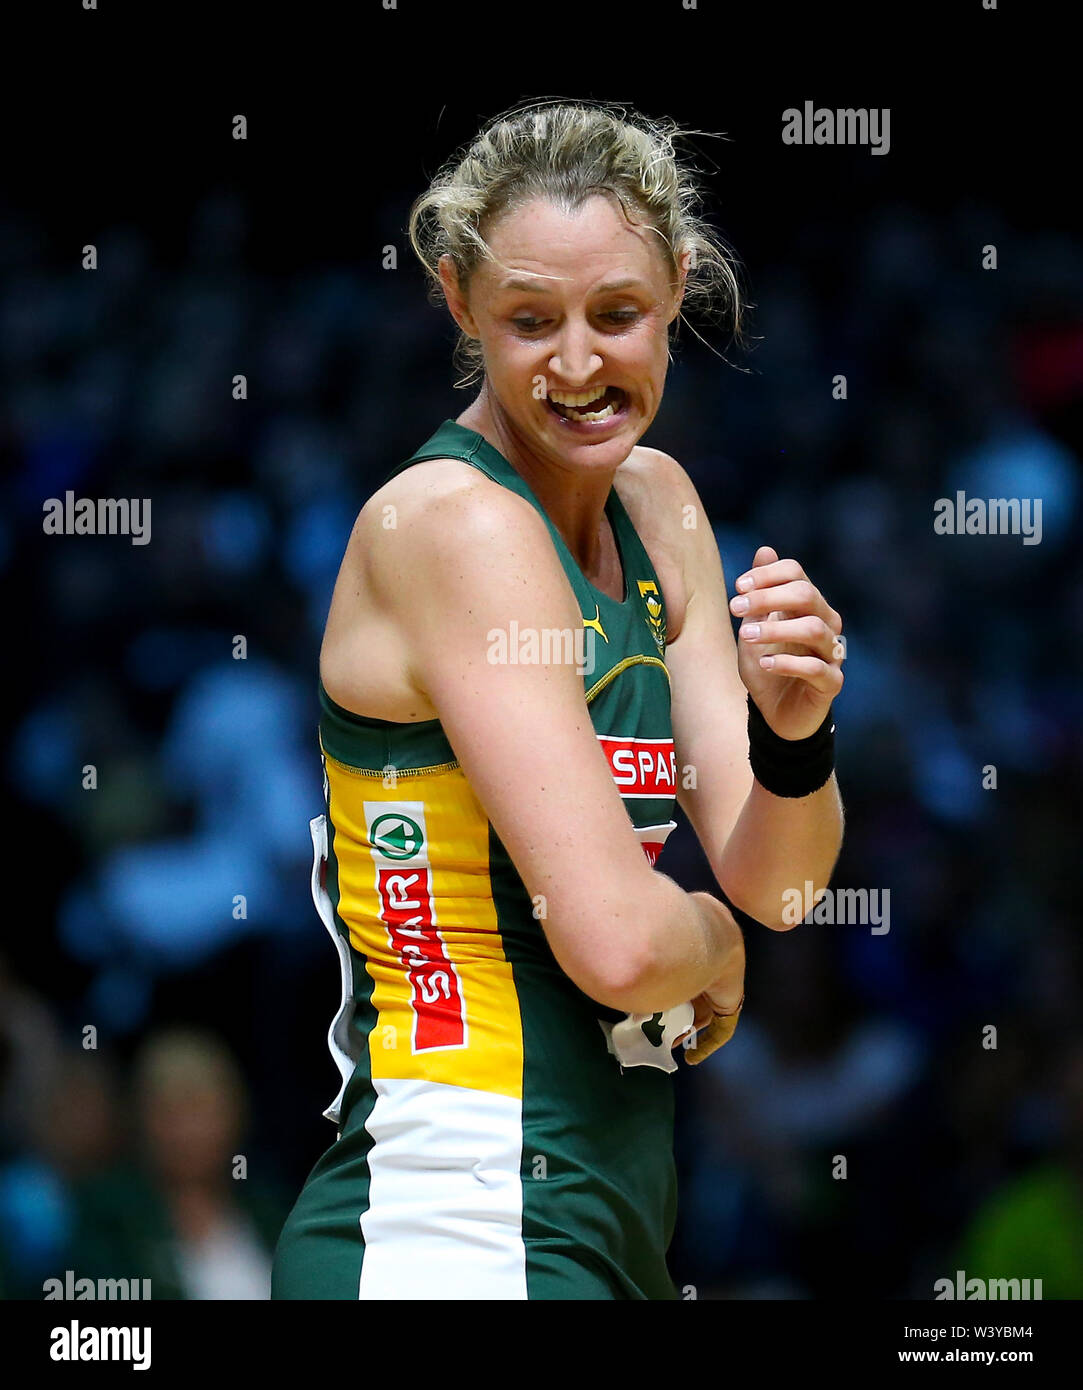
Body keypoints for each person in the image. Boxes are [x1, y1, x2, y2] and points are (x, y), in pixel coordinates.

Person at [272, 99, 845, 1301]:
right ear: (456, 301)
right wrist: (711, 941)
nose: (579, 365)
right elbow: (627, 947)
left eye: (618, 315)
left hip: (592, 1222)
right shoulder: (456, 524)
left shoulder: (662, 505)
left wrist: (794, 737)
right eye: (531, 321)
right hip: (456, 1215)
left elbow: (780, 886)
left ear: (681, 286)